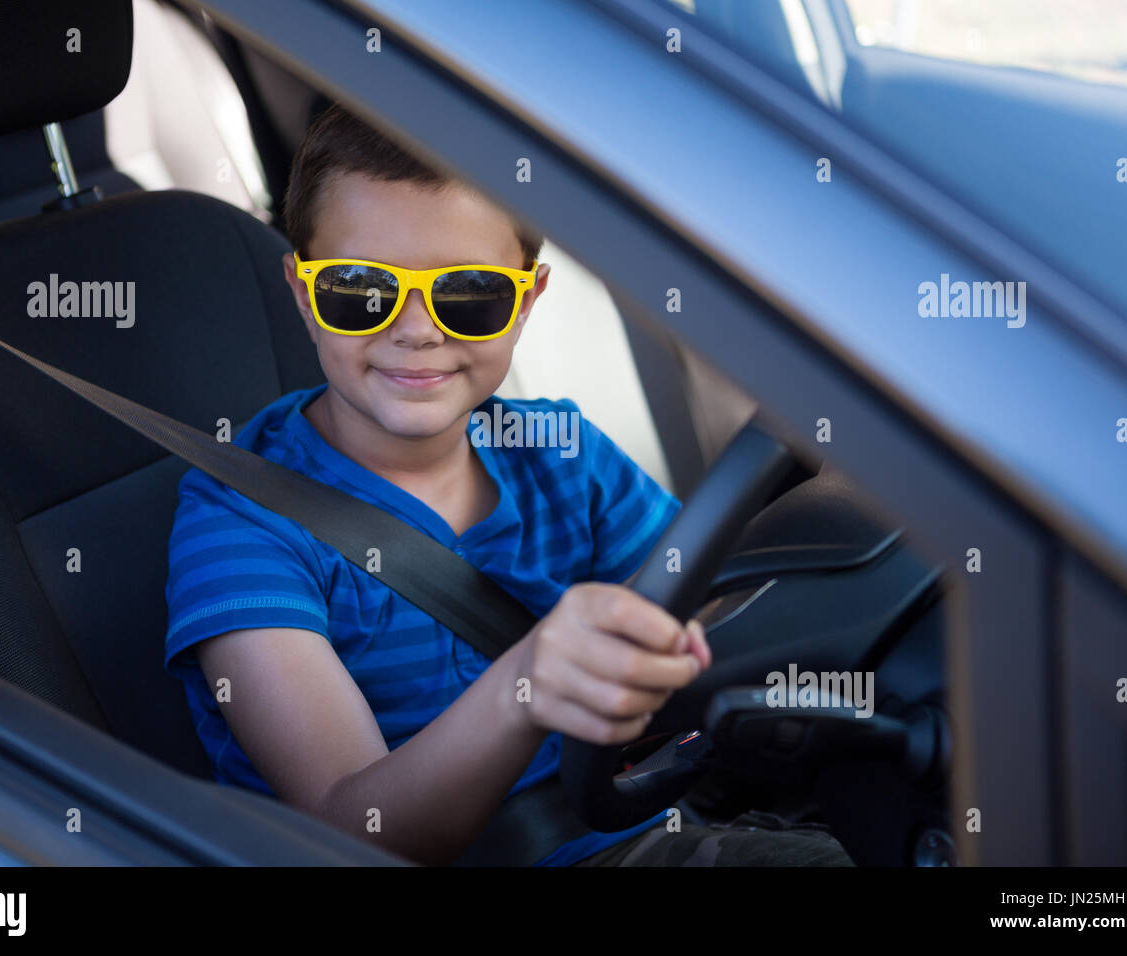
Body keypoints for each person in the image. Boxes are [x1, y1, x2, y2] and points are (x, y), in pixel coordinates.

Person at [164, 105, 852, 867]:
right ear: (302, 293)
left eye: (470, 296)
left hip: (642, 831)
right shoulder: (241, 522)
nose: (417, 328)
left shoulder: (560, 455)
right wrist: (528, 678)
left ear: (525, 300)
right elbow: (348, 827)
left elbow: (713, 620)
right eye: (360, 290)